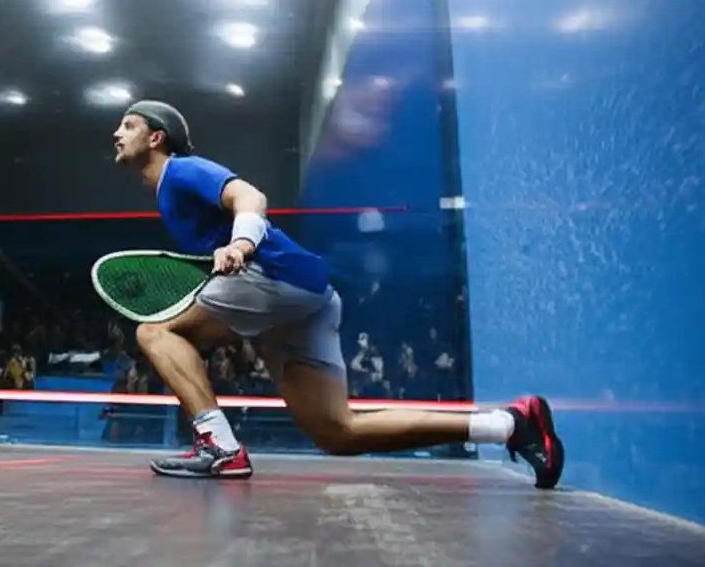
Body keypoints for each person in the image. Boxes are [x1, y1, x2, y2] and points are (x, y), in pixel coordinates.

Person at [111, 100, 564, 486]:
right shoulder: (167, 191)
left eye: (129, 125)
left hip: (275, 276)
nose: (117, 133)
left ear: (157, 137)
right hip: (307, 295)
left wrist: (241, 244)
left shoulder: (183, 171)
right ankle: (508, 425)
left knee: (155, 332)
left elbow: (250, 198)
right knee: (336, 432)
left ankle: (219, 446)